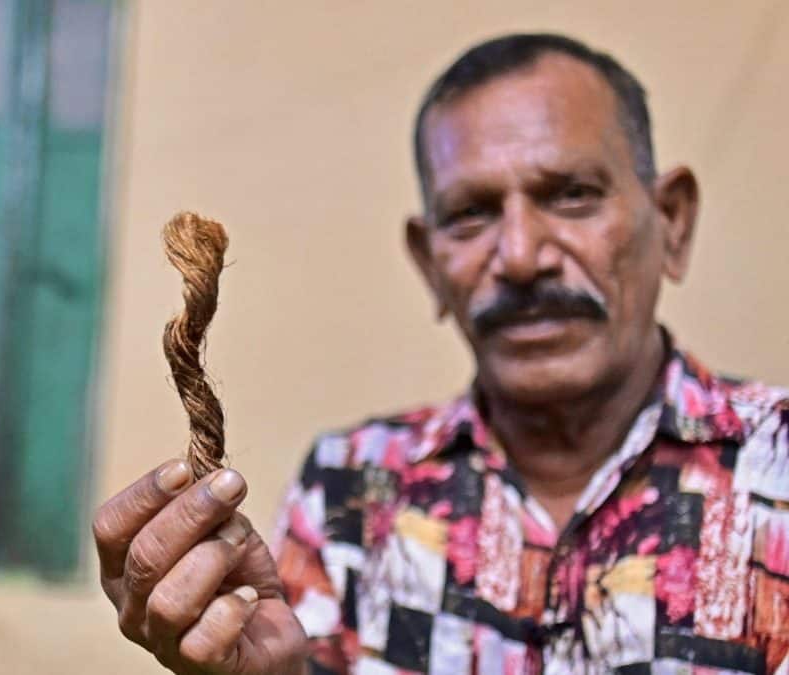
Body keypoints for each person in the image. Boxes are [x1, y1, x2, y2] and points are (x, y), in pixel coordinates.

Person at [92, 33, 789, 674]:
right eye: (471, 214)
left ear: (672, 222)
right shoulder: (350, 489)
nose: (521, 257)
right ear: (429, 263)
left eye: (572, 196)